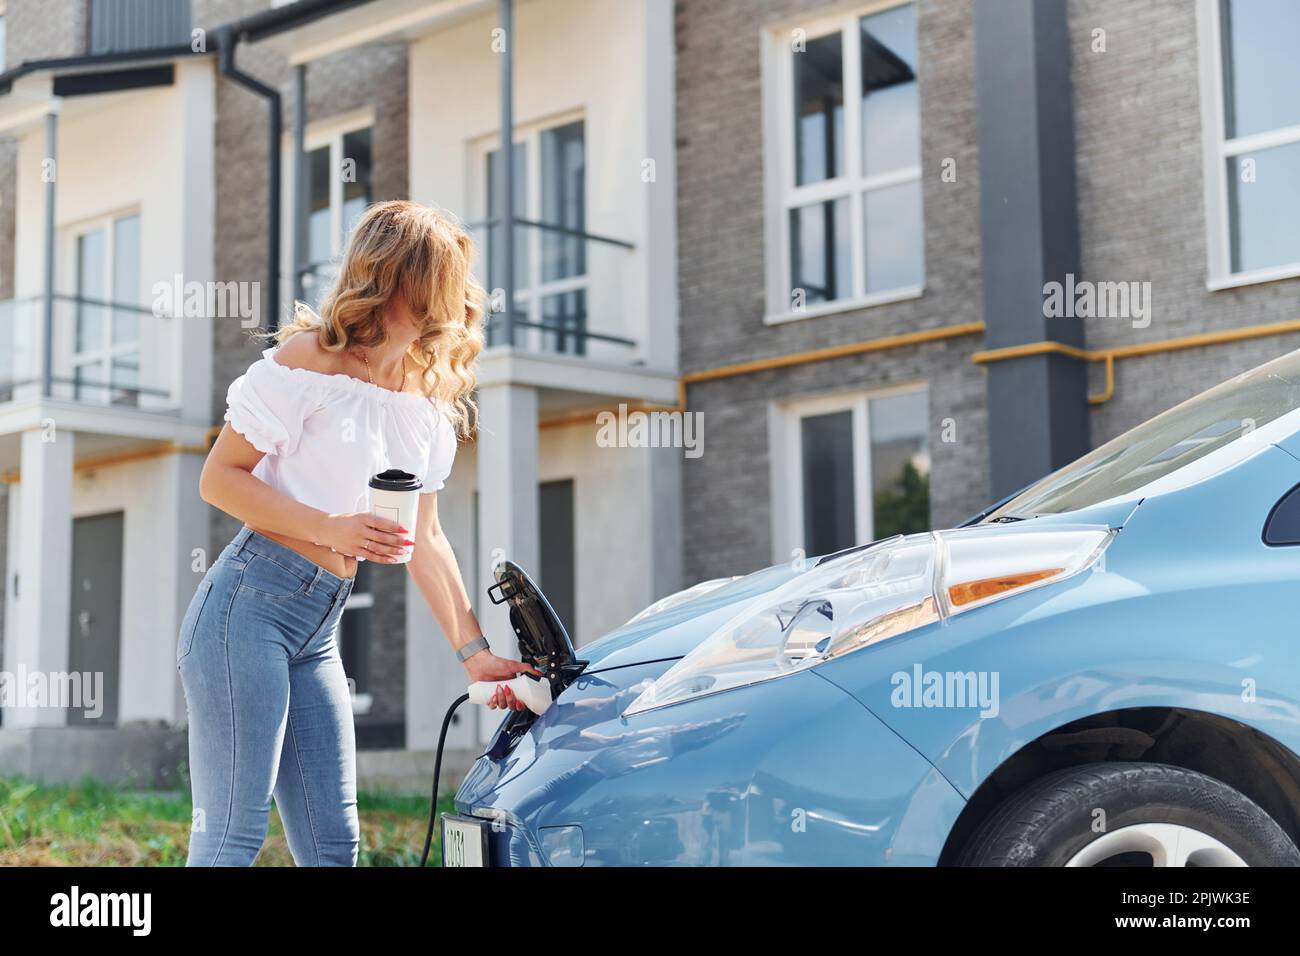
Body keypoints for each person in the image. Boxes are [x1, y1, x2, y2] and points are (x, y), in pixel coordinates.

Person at [177, 200, 538, 866]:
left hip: (317, 630)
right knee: (231, 832)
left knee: (332, 843)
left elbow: (426, 538)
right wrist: (330, 527)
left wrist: (474, 653)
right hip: (246, 609)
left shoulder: (425, 400)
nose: (450, 298)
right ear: (398, 278)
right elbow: (220, 479)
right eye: (439, 276)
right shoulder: (308, 362)